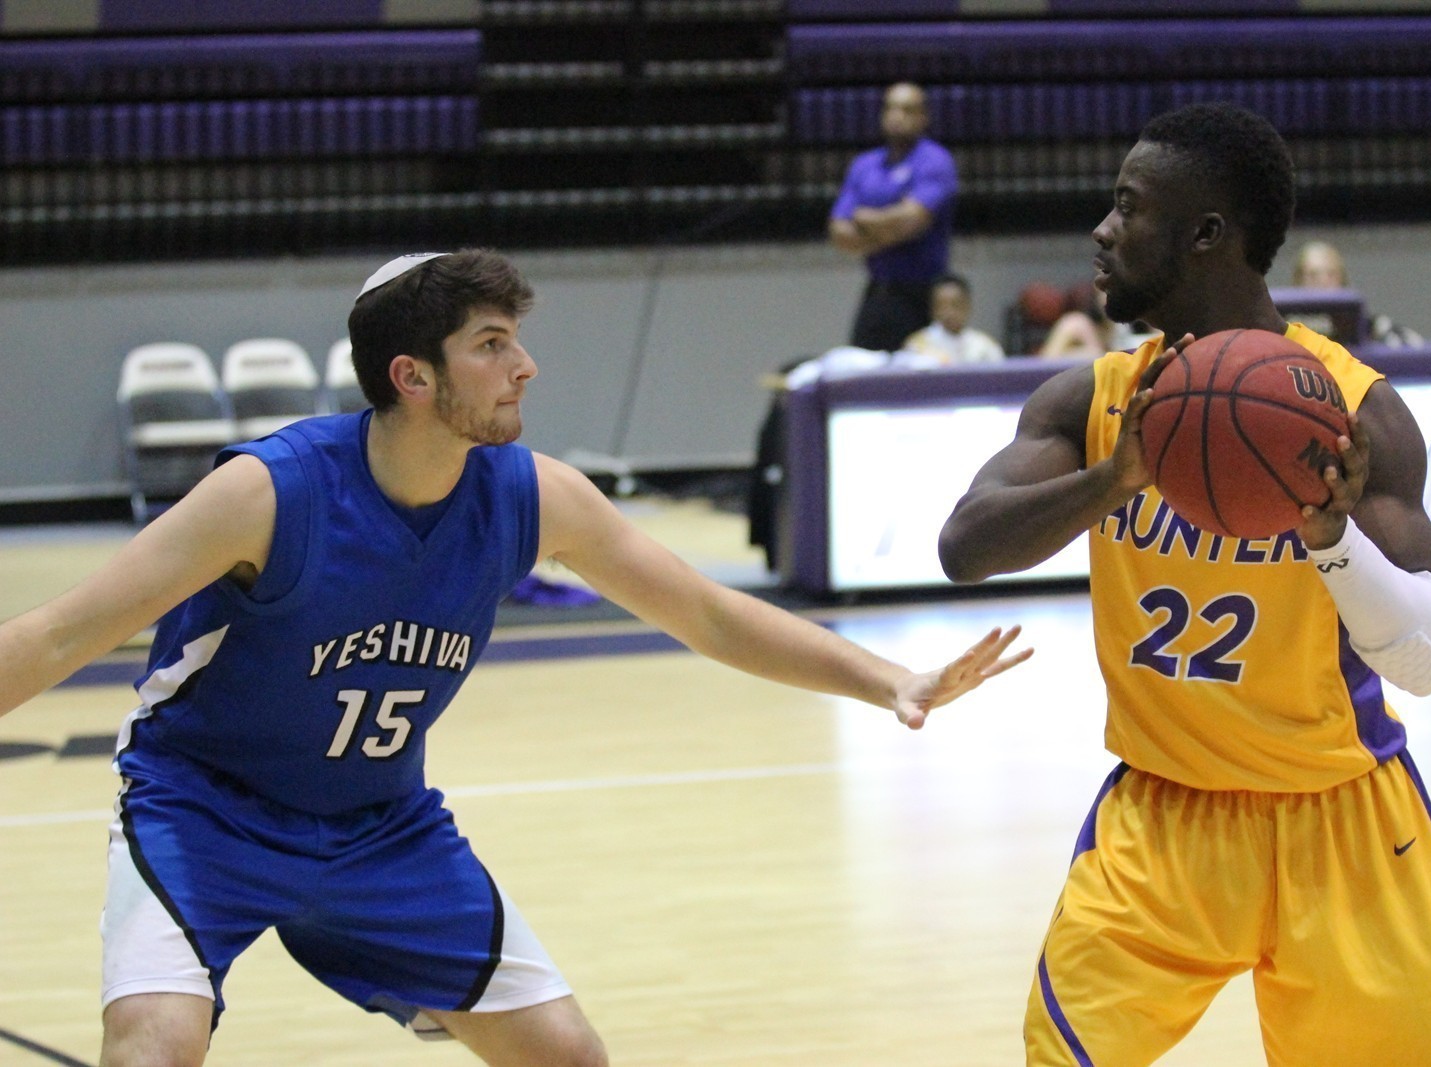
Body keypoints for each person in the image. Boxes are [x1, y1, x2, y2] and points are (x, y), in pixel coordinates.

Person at [0, 249, 1031, 1067]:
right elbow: (55, 634)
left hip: (378, 827)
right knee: (154, 1050)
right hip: (204, 812)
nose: (525, 364)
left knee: (568, 1054)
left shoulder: (531, 492)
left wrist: (886, 678)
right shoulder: (269, 493)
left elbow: (709, 615)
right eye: (492, 343)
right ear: (413, 375)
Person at [938, 103, 1431, 1066]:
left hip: (1344, 822)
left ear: (1205, 235)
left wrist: (1333, 542)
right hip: (1164, 820)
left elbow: (1430, 661)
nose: (1102, 231)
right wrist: (1110, 481)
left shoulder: (1356, 416)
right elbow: (965, 546)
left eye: (1127, 207)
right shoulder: (1093, 399)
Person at [828, 82, 958, 352]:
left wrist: (864, 220)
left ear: (924, 118)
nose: (897, 116)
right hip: (879, 291)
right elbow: (840, 233)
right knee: (861, 371)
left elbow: (913, 221)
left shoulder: (934, 161)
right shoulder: (864, 165)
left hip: (923, 293)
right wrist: (892, 229)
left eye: (908, 110)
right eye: (891, 108)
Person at [1291, 238, 1423, 348]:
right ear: (1298, 280)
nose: (1323, 282)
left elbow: (1415, 347)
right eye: (1313, 275)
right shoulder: (1287, 329)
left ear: (1343, 279)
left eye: (1331, 274)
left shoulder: (1368, 327)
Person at [900, 273, 1004, 364]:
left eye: (955, 305)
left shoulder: (985, 347)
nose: (949, 313)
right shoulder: (916, 346)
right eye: (941, 306)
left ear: (968, 306)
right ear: (932, 309)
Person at [1037, 281, 1150, 358]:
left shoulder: (1136, 324)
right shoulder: (1074, 323)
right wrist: (1085, 354)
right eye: (1107, 292)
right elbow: (1044, 365)